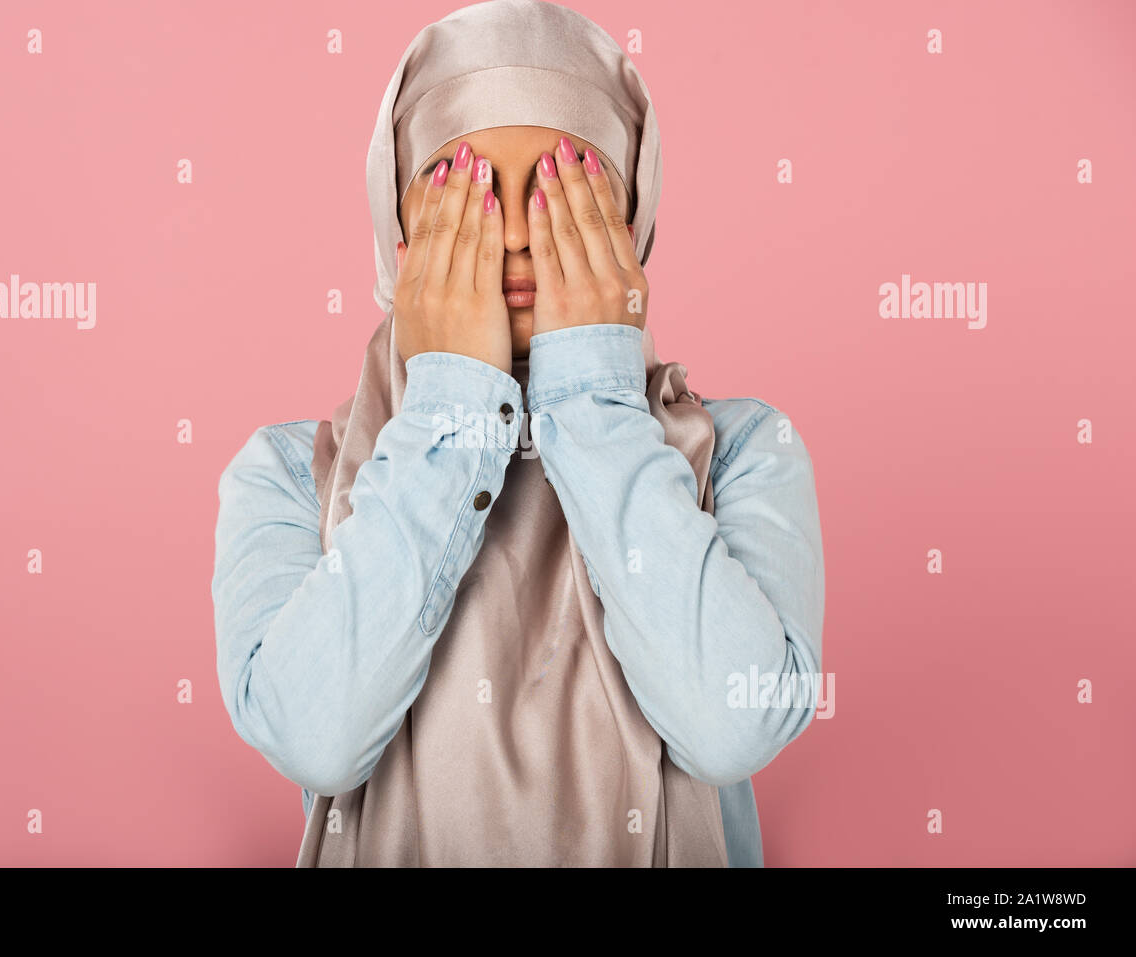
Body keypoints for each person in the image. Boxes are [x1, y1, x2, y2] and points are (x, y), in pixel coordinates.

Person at [212, 0, 825, 867]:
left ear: (632, 222)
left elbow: (730, 724)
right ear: (396, 229)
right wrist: (452, 409)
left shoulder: (745, 452)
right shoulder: (283, 474)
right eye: (464, 191)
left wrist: (591, 394)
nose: (508, 236)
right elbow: (316, 738)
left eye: (559, 188)